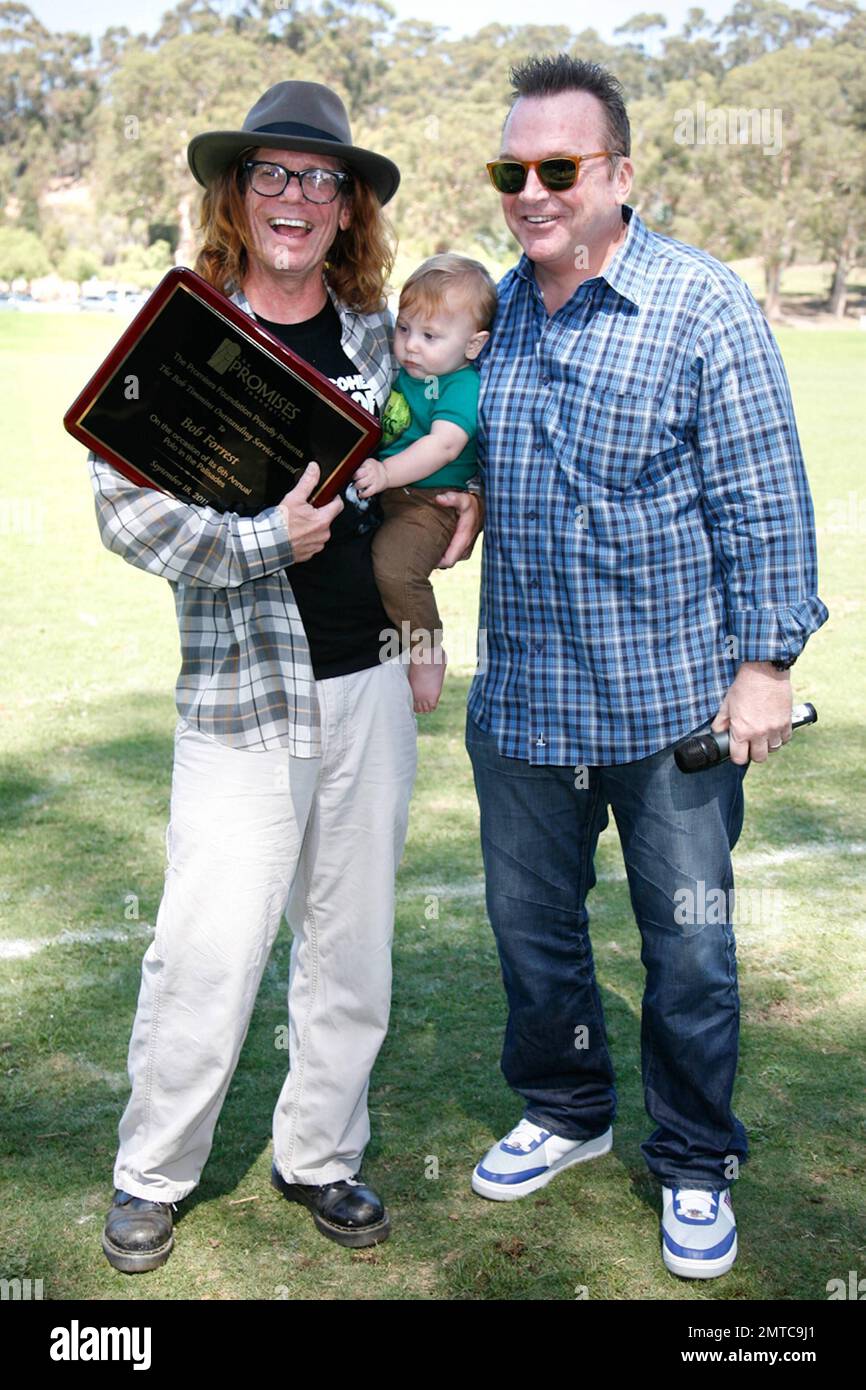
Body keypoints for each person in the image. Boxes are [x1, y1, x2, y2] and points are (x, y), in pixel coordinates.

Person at [88, 80, 481, 1271]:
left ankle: (321, 1153)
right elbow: (127, 514)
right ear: (235, 194)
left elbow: (447, 433)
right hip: (239, 697)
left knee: (349, 941)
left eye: (322, 180)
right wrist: (268, 539)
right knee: (208, 946)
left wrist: (463, 504)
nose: (297, 199)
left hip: (368, 676)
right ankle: (153, 1171)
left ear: (348, 207)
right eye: (273, 175)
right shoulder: (186, 334)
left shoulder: (377, 335)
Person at [465, 54, 828, 1279]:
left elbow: (764, 499)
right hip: (520, 704)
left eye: (556, 168)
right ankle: (567, 1110)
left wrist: (766, 663)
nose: (530, 190)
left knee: (687, 947)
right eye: (510, 169)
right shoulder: (493, 309)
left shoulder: (701, 303)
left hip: (669, 706)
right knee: (533, 939)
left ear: (619, 174)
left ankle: (692, 1160)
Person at [353, 253, 496, 712]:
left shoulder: (461, 384)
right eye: (404, 329)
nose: (412, 345)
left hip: (430, 503)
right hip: (395, 495)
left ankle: (426, 649)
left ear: (473, 345)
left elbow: (444, 447)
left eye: (430, 336)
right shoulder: (405, 373)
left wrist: (385, 471)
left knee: (395, 567)